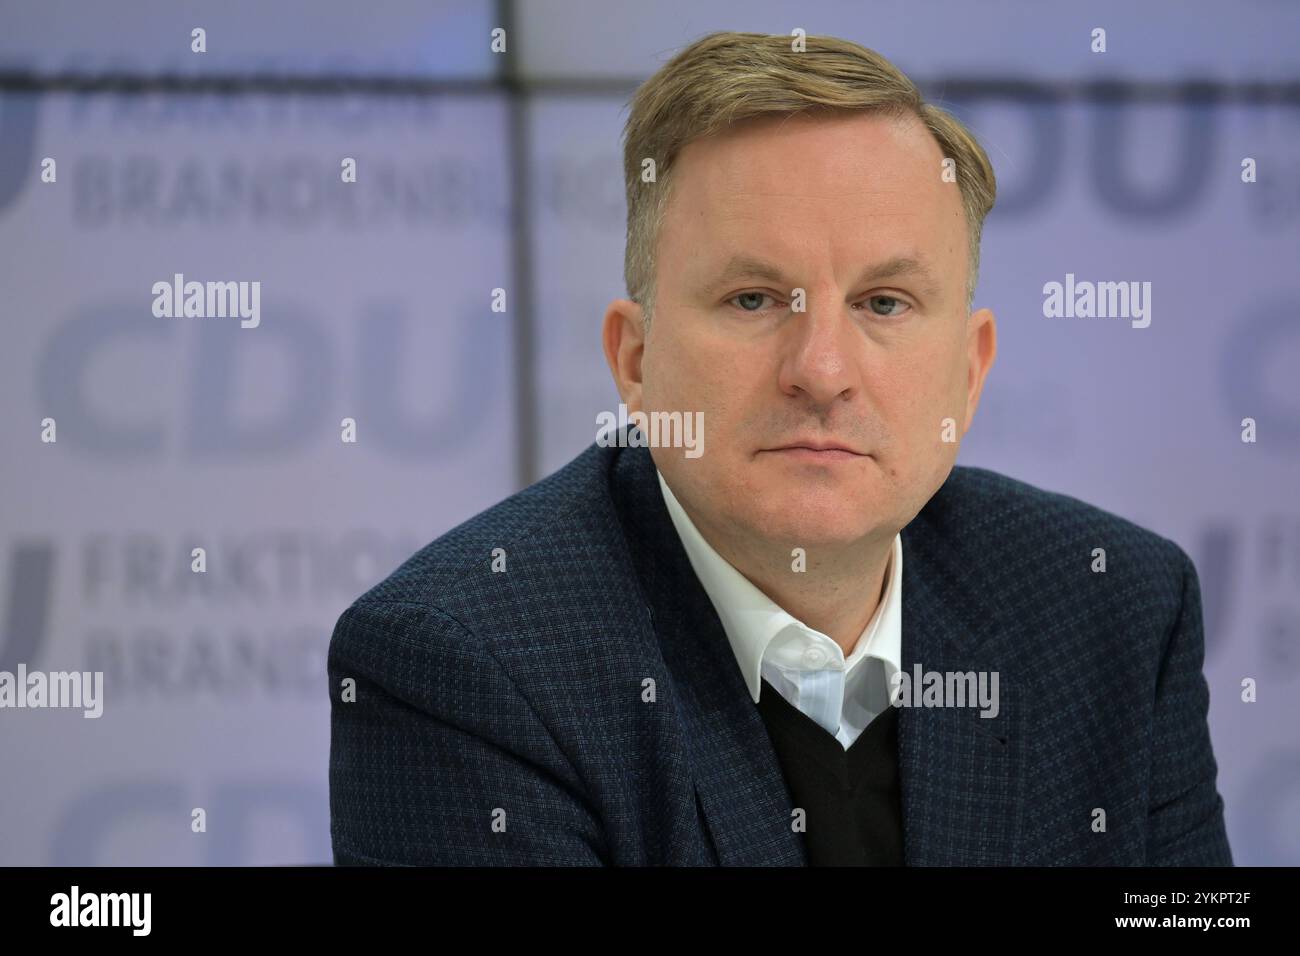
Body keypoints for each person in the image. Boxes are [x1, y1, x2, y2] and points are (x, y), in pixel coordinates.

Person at [328, 31, 1232, 866]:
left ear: (969, 370)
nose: (823, 370)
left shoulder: (1114, 607)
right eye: (754, 299)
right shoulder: (461, 669)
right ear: (634, 362)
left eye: (884, 303)